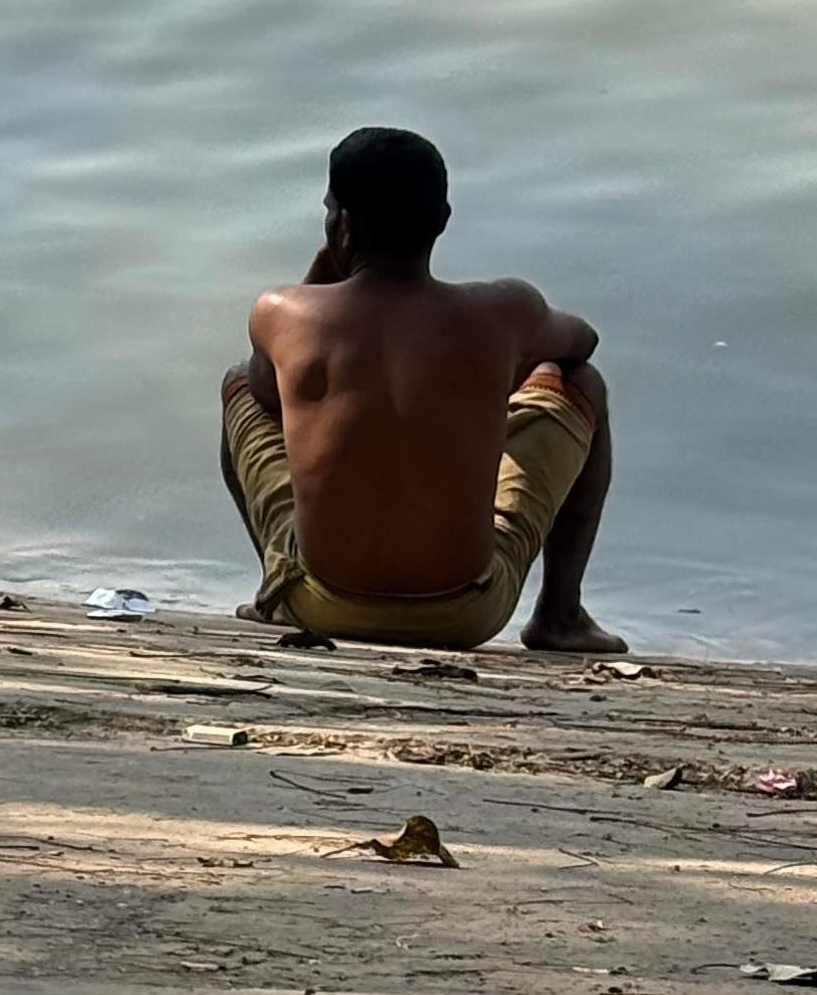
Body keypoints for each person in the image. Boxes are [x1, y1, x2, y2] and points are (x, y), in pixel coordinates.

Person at [219, 126, 622, 655]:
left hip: (318, 604)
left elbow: (268, 393)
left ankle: (274, 590)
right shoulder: (503, 312)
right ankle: (560, 615)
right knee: (580, 384)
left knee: (238, 384)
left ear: (341, 227)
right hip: (467, 613)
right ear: (443, 221)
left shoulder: (282, 313)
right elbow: (582, 342)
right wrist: (491, 372)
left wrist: (326, 267)